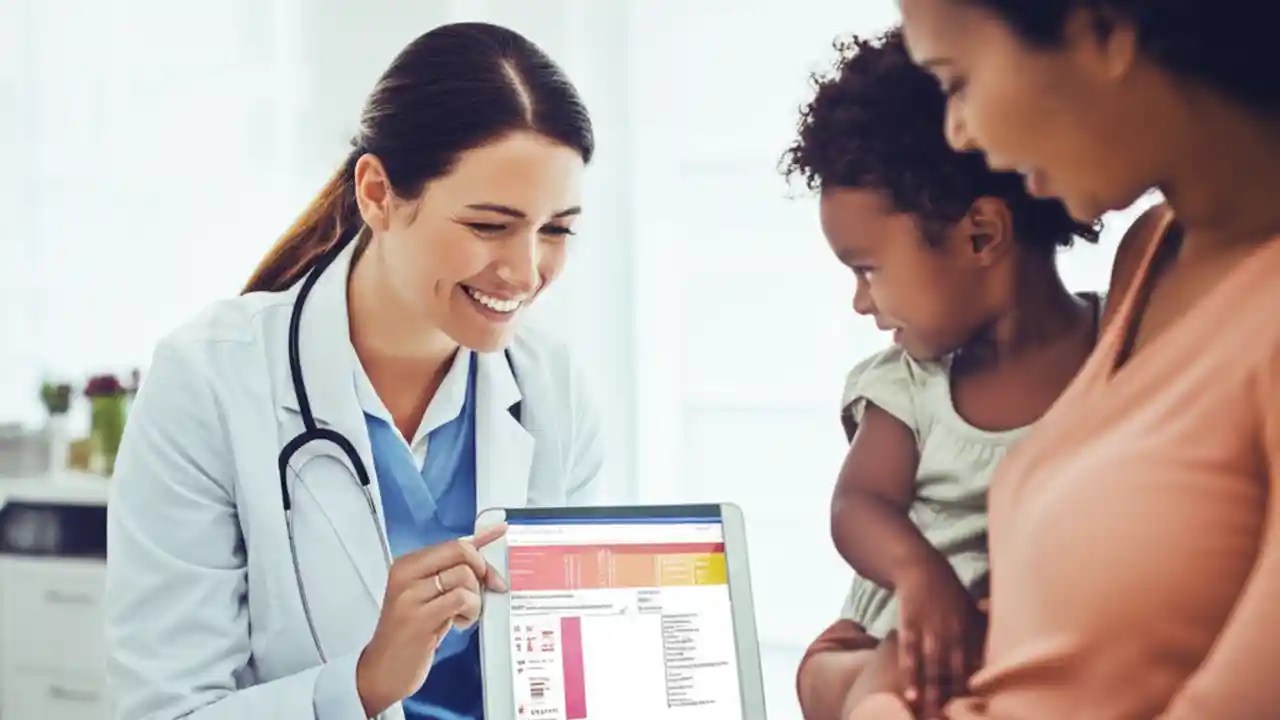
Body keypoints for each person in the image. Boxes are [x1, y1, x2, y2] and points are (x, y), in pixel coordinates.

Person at [105, 22, 610, 720]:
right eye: (489, 225)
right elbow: (165, 711)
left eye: (556, 230)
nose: (526, 273)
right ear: (377, 192)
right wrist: (366, 682)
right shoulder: (210, 381)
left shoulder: (555, 393)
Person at [844, 1, 1280, 717]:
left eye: (957, 82)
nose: (958, 131)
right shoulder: (1152, 255)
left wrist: (868, 697)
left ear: (1102, 31)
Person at [781, 28, 1102, 720]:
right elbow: (857, 505)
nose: (861, 301)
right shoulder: (911, 384)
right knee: (901, 672)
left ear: (981, 236)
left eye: (868, 269)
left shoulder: (1120, 348)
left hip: (1025, 649)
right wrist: (918, 572)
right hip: (900, 637)